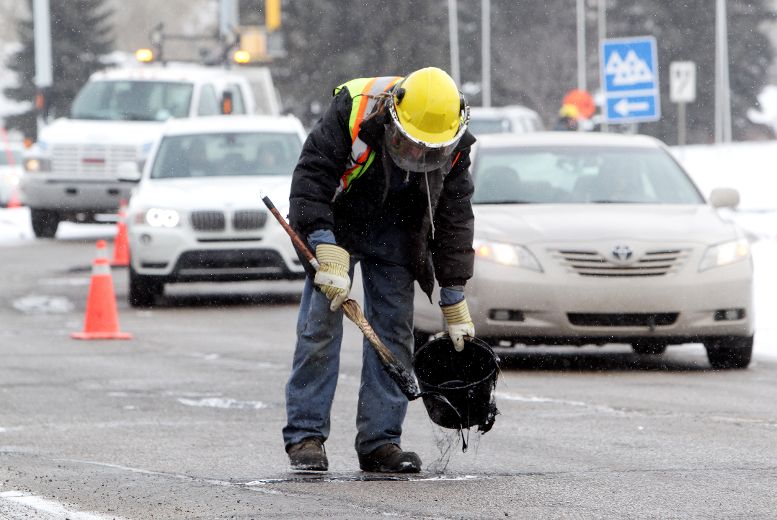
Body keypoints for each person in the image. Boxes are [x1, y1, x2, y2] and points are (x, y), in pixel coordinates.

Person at [283, 67, 477, 473]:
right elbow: (311, 179)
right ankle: (306, 436)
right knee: (319, 328)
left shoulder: (455, 141)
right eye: (410, 146)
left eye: (429, 151)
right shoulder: (354, 109)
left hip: (398, 230)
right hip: (338, 221)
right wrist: (322, 244)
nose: (419, 158)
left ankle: (380, 443)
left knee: (393, 333)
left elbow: (454, 217)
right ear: (392, 114)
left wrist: (454, 294)